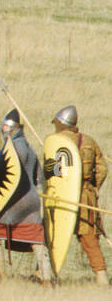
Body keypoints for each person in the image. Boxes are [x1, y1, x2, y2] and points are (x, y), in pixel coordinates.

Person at [0, 110, 54, 284]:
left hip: (13, 201)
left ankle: (0, 278)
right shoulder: (29, 149)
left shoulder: (12, 149)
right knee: (37, 242)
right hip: (31, 200)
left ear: (15, 129)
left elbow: (4, 178)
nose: (3, 130)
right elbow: (39, 179)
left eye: (6, 127)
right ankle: (46, 278)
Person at [49, 105, 107, 284]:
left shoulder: (56, 142)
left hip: (62, 197)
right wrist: (92, 188)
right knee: (89, 237)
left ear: (60, 123)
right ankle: (101, 276)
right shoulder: (89, 141)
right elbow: (102, 168)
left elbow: (52, 174)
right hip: (85, 195)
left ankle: (47, 274)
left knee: (54, 236)